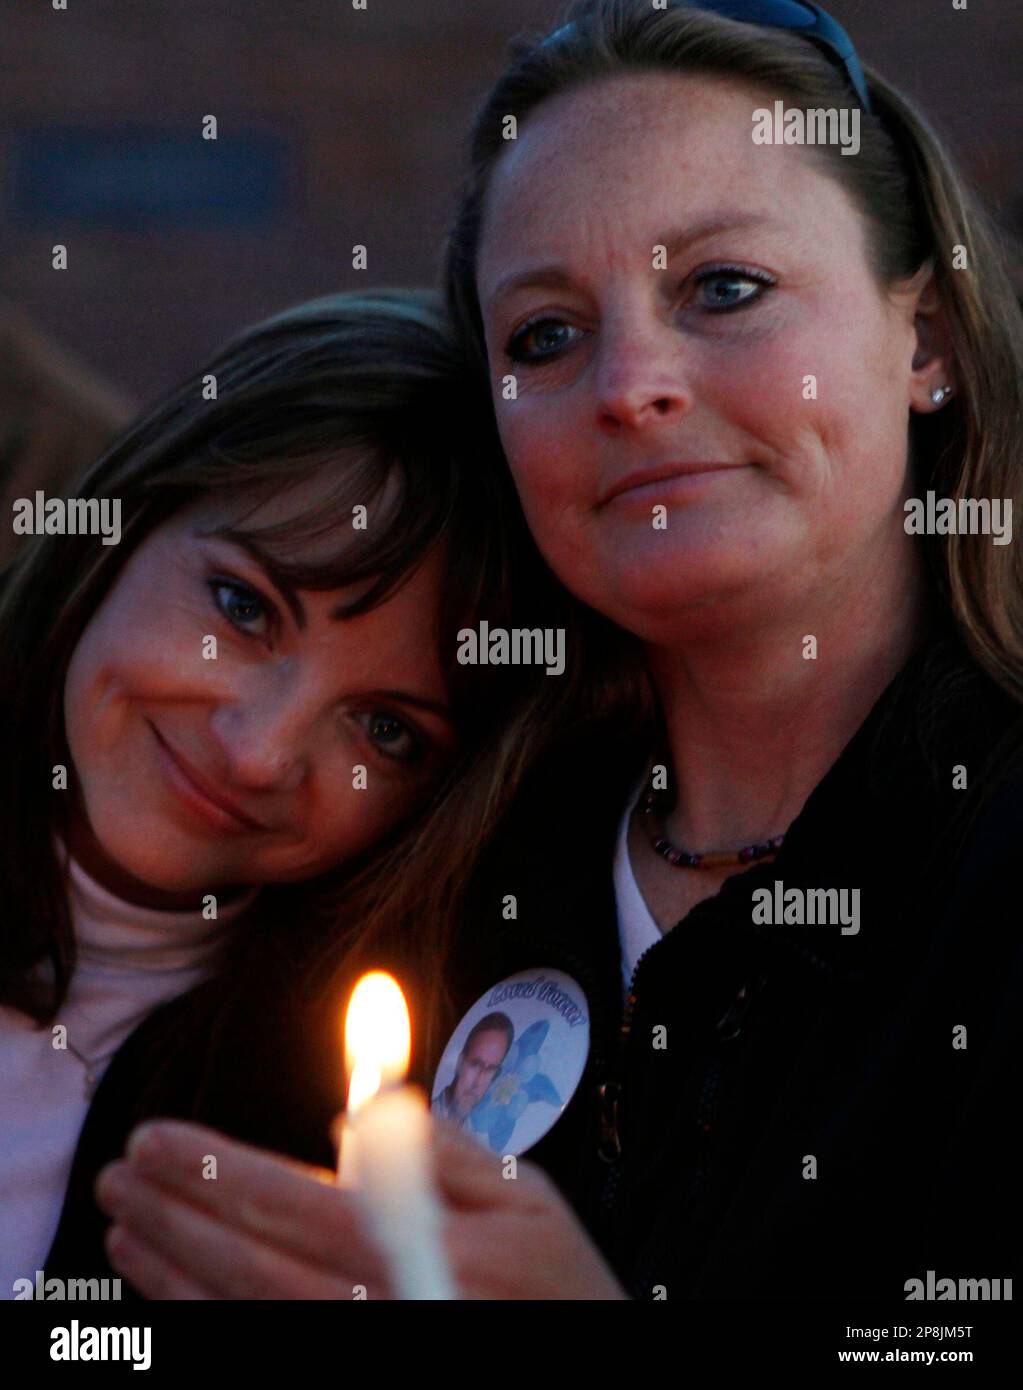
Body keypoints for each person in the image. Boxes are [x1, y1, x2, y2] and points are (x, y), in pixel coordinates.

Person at [94, 0, 1023, 1300]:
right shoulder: (415, 846)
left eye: (722, 288)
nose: (626, 382)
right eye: (543, 333)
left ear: (919, 337)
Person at [1, 287, 585, 1301]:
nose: (261, 751)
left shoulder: (342, 1126)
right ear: (128, 517)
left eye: (386, 727)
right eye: (243, 608)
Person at [432, 1013, 514, 1124]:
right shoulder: (423, 1118)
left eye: (490, 1069)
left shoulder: (474, 1134)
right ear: (460, 1062)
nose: (478, 1082)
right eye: (475, 1064)